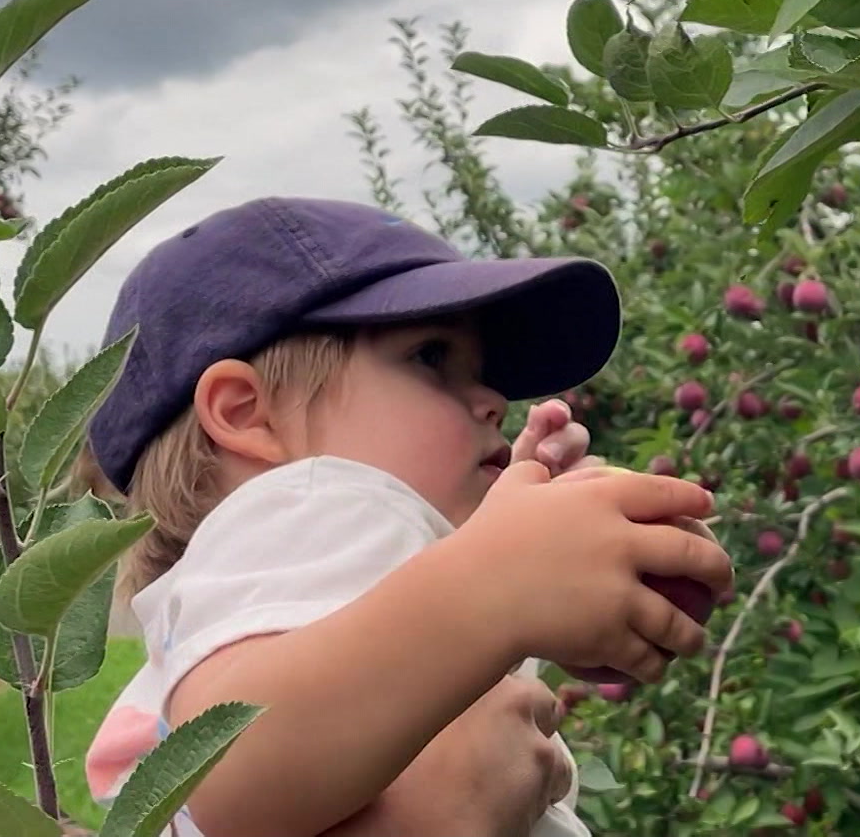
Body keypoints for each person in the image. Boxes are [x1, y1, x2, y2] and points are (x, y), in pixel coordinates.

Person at [73, 196, 734, 837]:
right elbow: (222, 762)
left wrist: (535, 551)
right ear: (247, 414)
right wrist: (500, 578)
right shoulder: (315, 501)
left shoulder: (316, 578)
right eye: (432, 358)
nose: (493, 399)